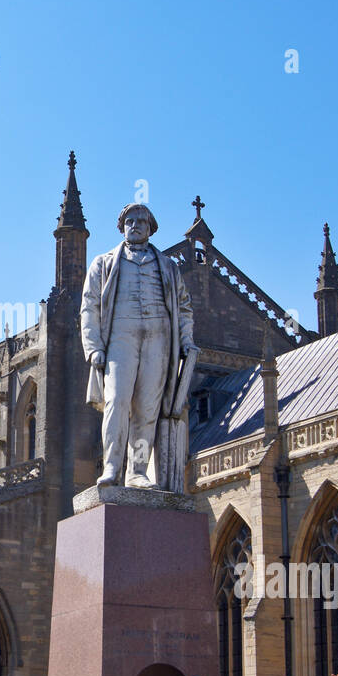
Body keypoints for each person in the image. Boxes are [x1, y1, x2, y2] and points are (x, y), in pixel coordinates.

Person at [80, 202, 196, 491]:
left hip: (159, 338)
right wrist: (94, 346)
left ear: (151, 228)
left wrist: (185, 339)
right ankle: (111, 466)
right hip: (120, 335)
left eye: (141, 221)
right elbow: (89, 307)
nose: (135, 225)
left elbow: (183, 308)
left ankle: (138, 471)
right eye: (129, 221)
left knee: (147, 410)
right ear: (121, 227)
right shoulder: (103, 263)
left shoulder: (168, 267)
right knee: (117, 401)